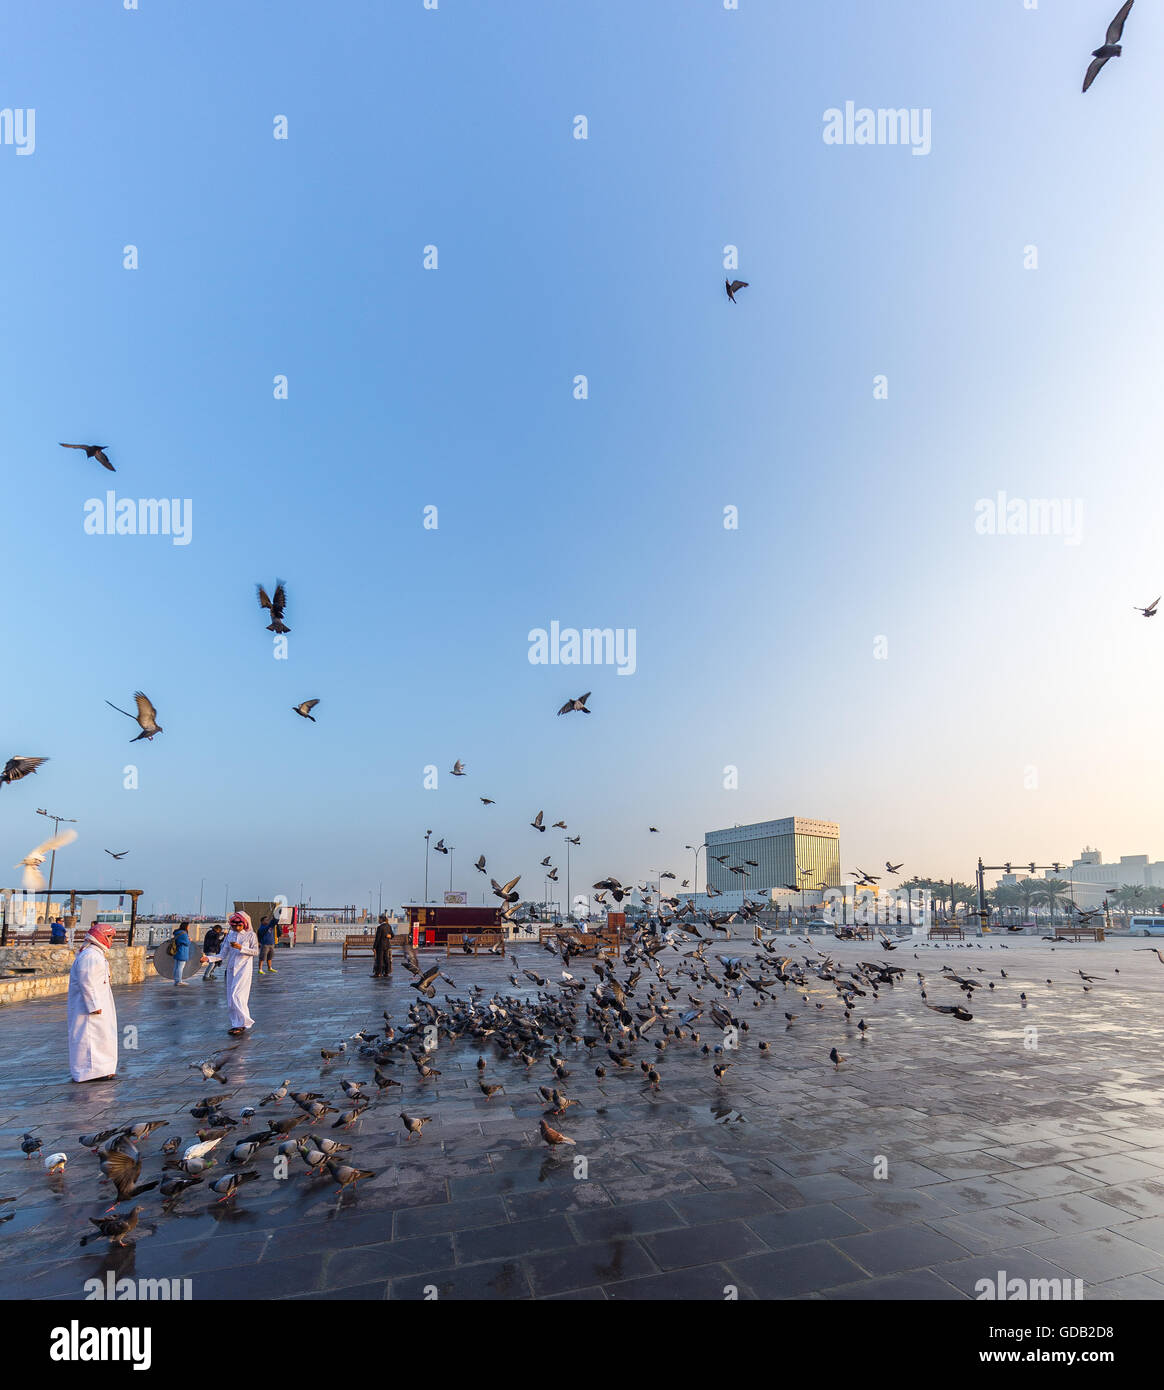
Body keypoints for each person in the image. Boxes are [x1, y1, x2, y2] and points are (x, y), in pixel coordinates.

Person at [67, 923, 118, 1082]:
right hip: (90, 1008)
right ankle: (89, 1072)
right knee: (90, 1039)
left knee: (101, 1038)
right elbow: (86, 982)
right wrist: (93, 1005)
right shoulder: (90, 955)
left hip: (99, 1005)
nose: (111, 941)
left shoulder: (95, 954)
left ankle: (102, 1069)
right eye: (109, 937)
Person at [221, 911, 258, 1036]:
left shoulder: (251, 935)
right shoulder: (230, 935)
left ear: (244, 924)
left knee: (237, 996)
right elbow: (222, 954)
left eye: (239, 926)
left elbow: (255, 952)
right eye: (234, 926)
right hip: (231, 969)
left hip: (244, 970)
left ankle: (243, 1022)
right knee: (230, 999)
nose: (237, 928)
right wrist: (208, 959)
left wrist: (241, 948)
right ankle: (236, 1024)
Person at [171, 921, 191, 985]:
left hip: (177, 950)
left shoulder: (177, 933)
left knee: (176, 966)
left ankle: (176, 980)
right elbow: (187, 943)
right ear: (185, 926)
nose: (189, 927)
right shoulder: (184, 934)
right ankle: (179, 981)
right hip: (182, 951)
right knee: (180, 967)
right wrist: (190, 940)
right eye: (188, 926)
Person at [372, 913, 392, 978]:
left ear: (381, 919)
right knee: (386, 959)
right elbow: (392, 935)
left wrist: (374, 947)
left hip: (380, 946)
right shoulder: (389, 926)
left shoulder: (380, 927)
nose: (378, 920)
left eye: (379, 919)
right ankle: (387, 972)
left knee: (379, 959)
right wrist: (389, 936)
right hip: (387, 946)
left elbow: (377, 938)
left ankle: (378, 973)